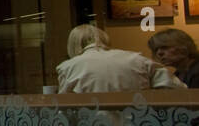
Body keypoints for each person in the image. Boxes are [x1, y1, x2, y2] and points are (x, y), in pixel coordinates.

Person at [56, 24, 185, 93]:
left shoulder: (68, 67)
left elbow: (63, 107)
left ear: (72, 45)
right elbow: (178, 90)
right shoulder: (137, 59)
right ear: (105, 38)